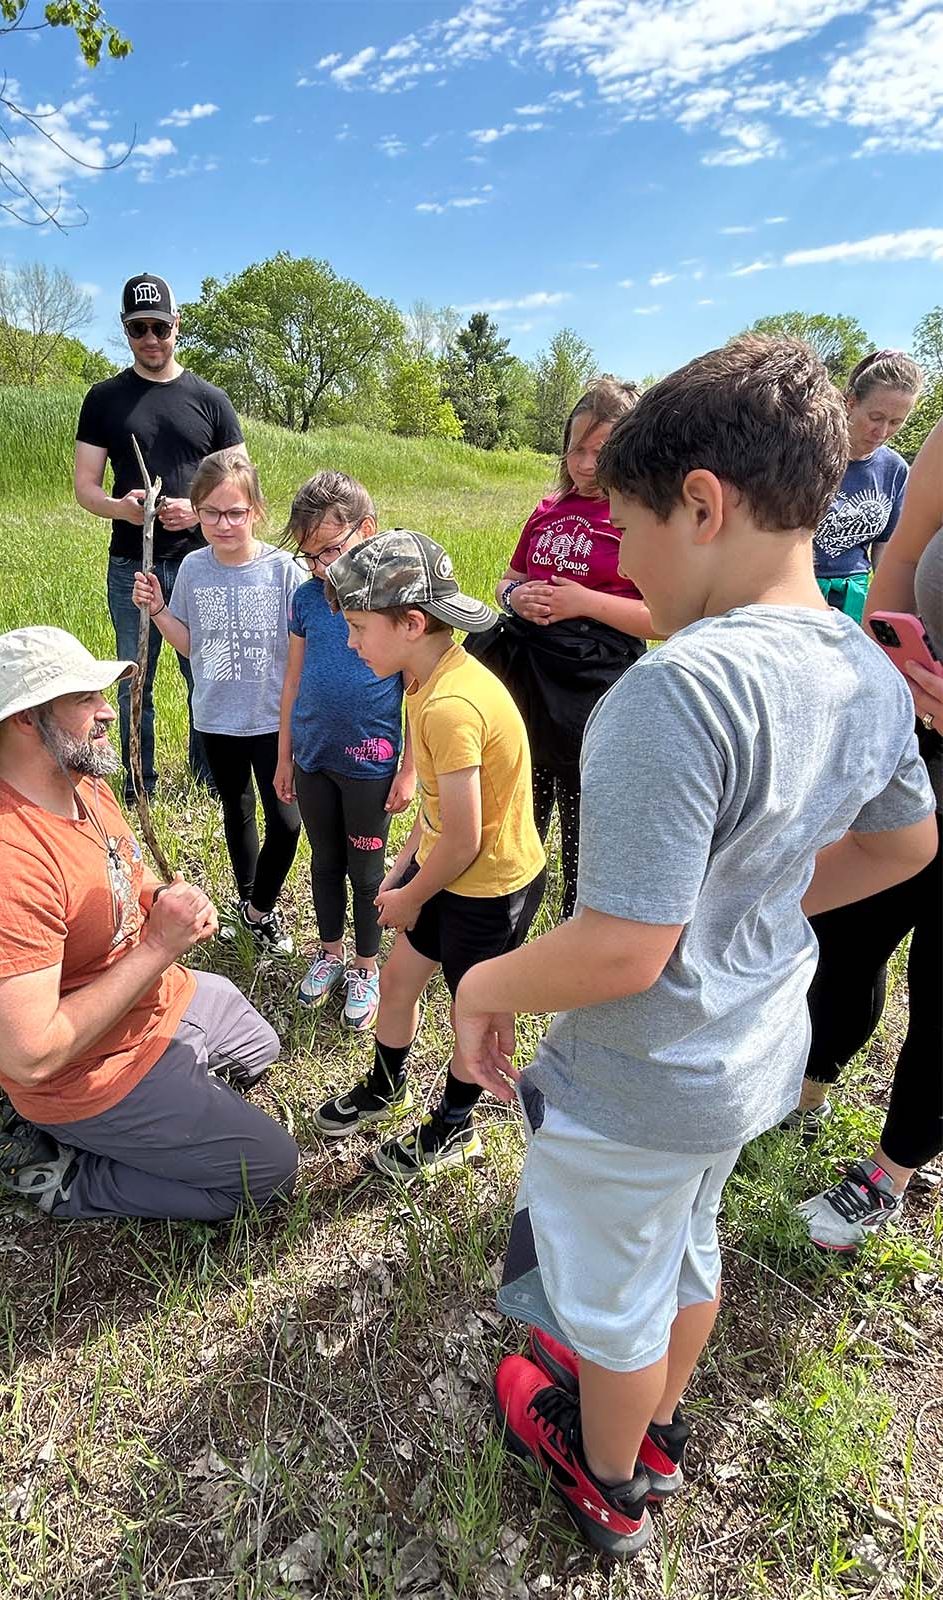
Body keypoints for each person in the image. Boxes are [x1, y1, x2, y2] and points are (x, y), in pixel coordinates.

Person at [452, 337, 936, 1559]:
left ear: (703, 504)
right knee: (691, 1240)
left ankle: (605, 1470)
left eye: (627, 526)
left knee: (611, 1297)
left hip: (643, 1080)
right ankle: (658, 1422)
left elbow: (622, 951)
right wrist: (755, 903)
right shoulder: (861, 670)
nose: (620, 557)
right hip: (755, 1053)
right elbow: (905, 845)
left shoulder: (671, 694)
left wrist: (486, 979)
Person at [0, 625, 298, 1222]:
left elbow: (119, 875)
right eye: (84, 698)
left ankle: (165, 1104)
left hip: (152, 1002)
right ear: (26, 718)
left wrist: (160, 899)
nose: (107, 711)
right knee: (268, 1175)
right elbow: (31, 1056)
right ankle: (65, 1175)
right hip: (83, 1072)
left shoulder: (81, 782)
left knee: (260, 1048)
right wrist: (158, 945)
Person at [312, 530, 546, 1178]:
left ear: (412, 622)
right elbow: (440, 810)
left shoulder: (449, 704)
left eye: (358, 626)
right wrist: (402, 871)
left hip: (489, 886)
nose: (352, 641)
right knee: (398, 979)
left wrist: (412, 894)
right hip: (445, 866)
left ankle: (453, 1128)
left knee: (469, 1009)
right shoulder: (422, 680)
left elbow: (469, 838)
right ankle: (387, 1087)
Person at [794, 415, 943, 1248]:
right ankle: (809, 1091)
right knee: (845, 930)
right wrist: (882, 673)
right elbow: (900, 567)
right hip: (912, 744)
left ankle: (892, 1168)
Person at [74, 272, 245, 802]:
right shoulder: (104, 399)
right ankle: (138, 783)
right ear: (126, 331)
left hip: (202, 564)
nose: (151, 339)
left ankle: (210, 776)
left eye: (159, 327)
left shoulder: (210, 400)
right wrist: (122, 510)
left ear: (177, 324)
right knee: (135, 680)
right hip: (133, 562)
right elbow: (85, 487)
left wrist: (196, 514)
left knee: (208, 674)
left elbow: (239, 480)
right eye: (138, 328)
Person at [485, 378, 651, 919]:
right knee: (524, 803)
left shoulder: (639, 517)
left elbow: (662, 618)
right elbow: (506, 579)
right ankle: (512, 909)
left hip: (595, 688)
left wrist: (585, 602)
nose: (584, 463)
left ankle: (577, 919)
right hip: (534, 680)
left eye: (599, 451)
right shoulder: (547, 509)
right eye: (577, 448)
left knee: (585, 814)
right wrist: (517, 597)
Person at [133, 450, 304, 953]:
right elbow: (190, 644)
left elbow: (304, 649)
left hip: (275, 720)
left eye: (235, 512)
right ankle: (253, 905)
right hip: (216, 715)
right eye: (210, 512)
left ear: (255, 510)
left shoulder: (283, 571)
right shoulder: (192, 567)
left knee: (287, 821)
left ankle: (258, 908)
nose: (223, 524)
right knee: (237, 807)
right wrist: (160, 609)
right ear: (196, 512)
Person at [274, 472, 417, 1030]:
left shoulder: (393, 601)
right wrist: (285, 757)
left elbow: (414, 688)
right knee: (324, 860)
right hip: (313, 758)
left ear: (367, 530)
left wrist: (408, 770)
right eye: (310, 556)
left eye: (331, 550)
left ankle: (365, 964)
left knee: (366, 869)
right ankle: (329, 951)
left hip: (370, 766)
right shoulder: (306, 600)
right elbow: (292, 681)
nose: (322, 567)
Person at [813, 349, 922, 621]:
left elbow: (885, 547)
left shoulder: (895, 469)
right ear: (851, 403)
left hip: (855, 594)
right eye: (876, 417)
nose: (883, 431)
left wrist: (891, 606)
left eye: (896, 422)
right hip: (801, 587)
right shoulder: (809, 455)